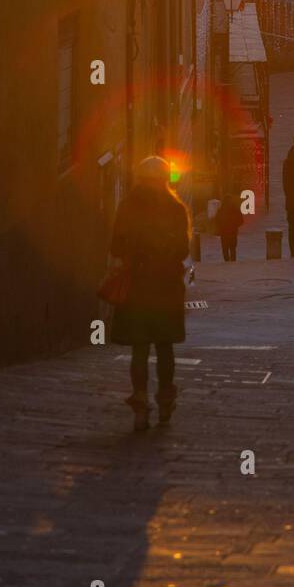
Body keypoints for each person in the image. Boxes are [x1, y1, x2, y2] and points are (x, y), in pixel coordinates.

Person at [109, 156, 190, 431]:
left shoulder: (128, 206)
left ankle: (141, 404)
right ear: (165, 179)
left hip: (139, 285)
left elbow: (116, 247)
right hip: (166, 286)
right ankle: (166, 401)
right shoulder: (175, 208)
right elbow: (183, 250)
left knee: (140, 348)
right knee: (165, 346)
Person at [214, 191, 243, 262]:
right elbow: (241, 221)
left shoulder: (220, 210)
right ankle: (233, 262)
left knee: (225, 249)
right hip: (233, 233)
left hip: (224, 233)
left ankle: (226, 262)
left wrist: (221, 226)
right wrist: (235, 225)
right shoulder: (235, 210)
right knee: (233, 248)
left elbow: (216, 221)